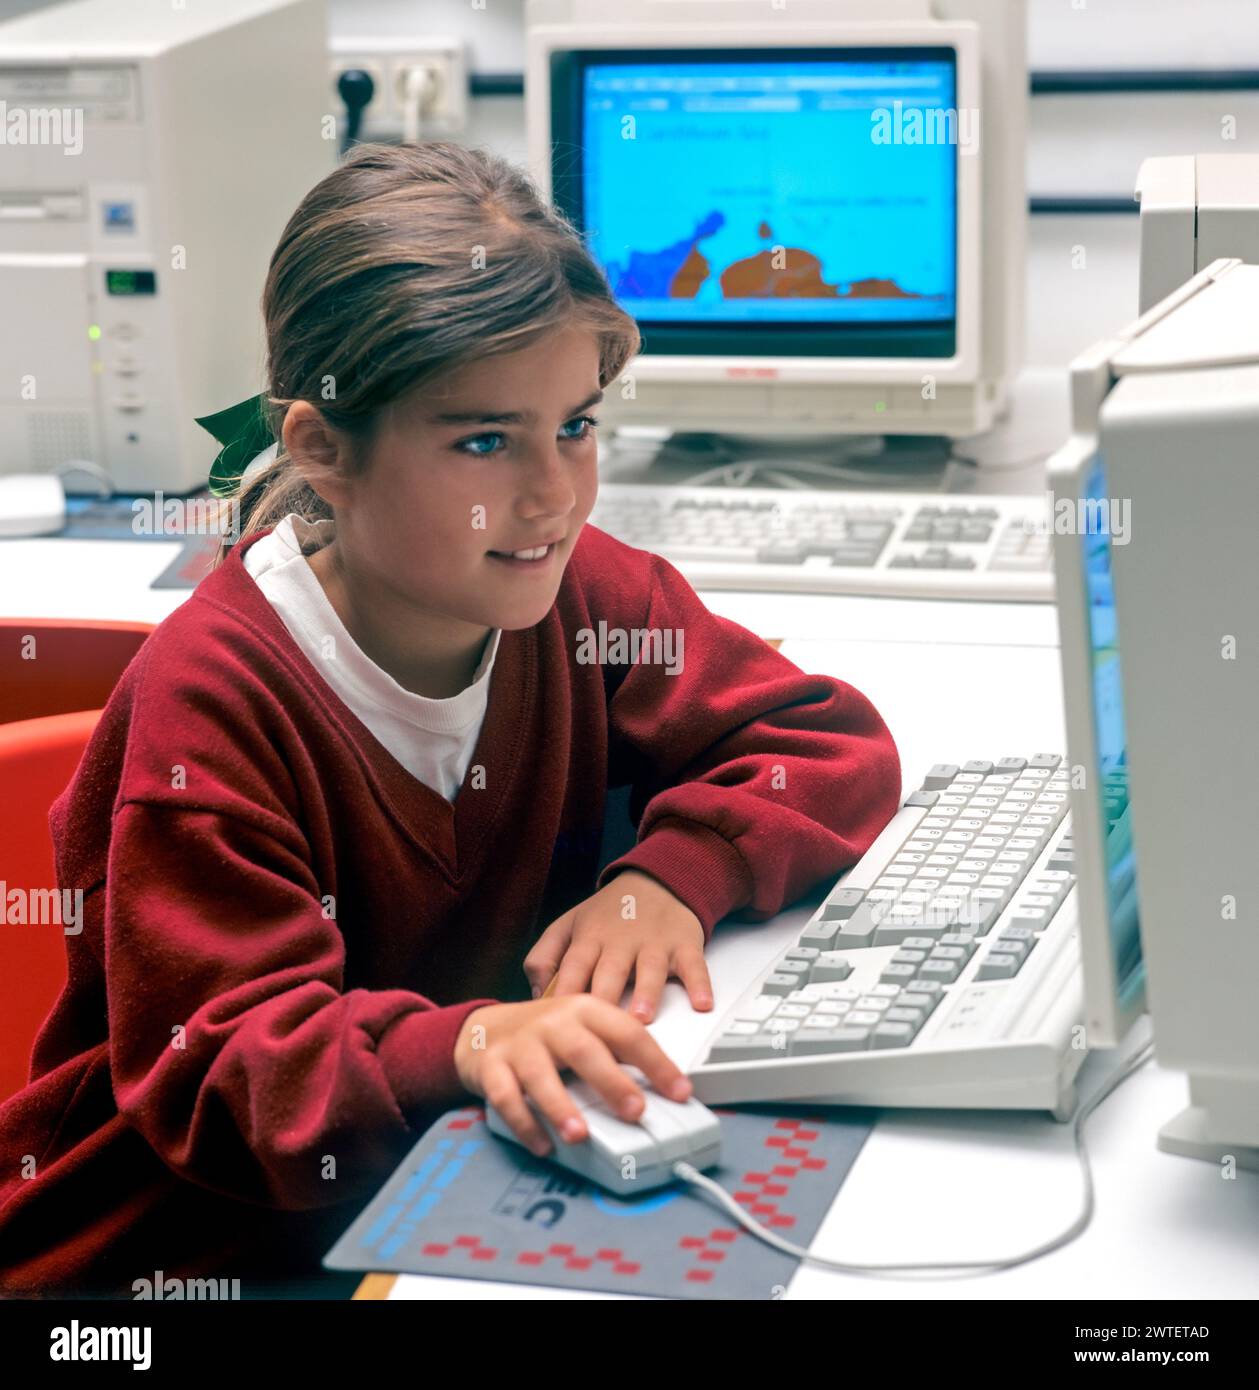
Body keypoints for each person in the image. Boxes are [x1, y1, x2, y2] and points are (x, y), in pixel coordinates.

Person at [0, 142, 900, 1296]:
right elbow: (231, 1067)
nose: (553, 493)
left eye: (573, 427)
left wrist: (671, 877)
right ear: (323, 449)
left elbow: (823, 742)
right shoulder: (216, 693)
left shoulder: (581, 597)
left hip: (437, 1187)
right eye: (484, 441)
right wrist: (474, 1040)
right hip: (199, 1249)